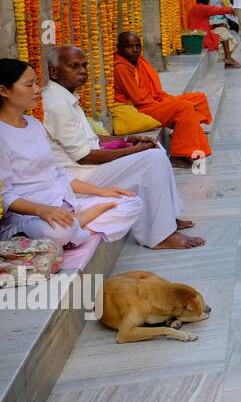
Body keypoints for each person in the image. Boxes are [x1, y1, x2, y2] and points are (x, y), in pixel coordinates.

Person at [41, 46, 204, 249]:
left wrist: (129, 139)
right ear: (54, 72)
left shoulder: (65, 96)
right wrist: (136, 150)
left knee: (156, 150)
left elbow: (91, 138)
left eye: (84, 66)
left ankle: (168, 217)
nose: (82, 71)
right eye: (74, 66)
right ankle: (160, 235)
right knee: (151, 158)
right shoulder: (56, 103)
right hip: (78, 178)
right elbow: (85, 156)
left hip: (87, 169)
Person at [0, 59, 147, 272]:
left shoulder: (34, 124)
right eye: (29, 84)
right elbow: (4, 195)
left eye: (36, 84)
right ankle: (77, 226)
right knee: (57, 231)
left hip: (64, 202)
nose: (37, 90)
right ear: (4, 90)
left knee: (131, 202)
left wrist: (104, 192)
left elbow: (59, 173)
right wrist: (41, 210)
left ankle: (76, 226)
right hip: (31, 215)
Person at [113, 32, 213, 160]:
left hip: (153, 100)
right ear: (119, 48)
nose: (135, 50)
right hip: (140, 109)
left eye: (138, 46)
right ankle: (183, 153)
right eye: (129, 46)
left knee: (198, 98)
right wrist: (164, 104)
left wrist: (164, 100)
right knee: (184, 107)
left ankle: (186, 133)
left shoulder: (138, 61)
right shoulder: (121, 68)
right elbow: (138, 99)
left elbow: (151, 91)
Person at [188, 0, 241, 68]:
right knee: (223, 32)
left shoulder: (196, 7)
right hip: (200, 37)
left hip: (201, 33)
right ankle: (228, 58)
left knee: (222, 29)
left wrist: (215, 25)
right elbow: (216, 10)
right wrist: (231, 10)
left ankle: (228, 58)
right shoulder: (201, 8)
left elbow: (202, 23)